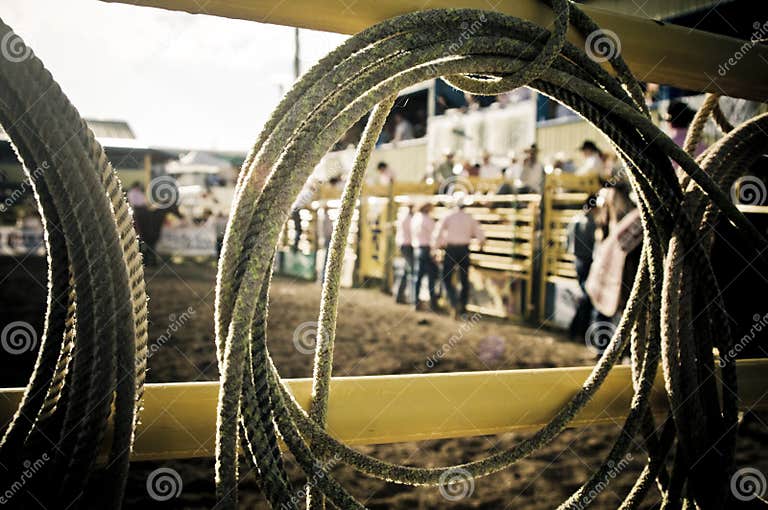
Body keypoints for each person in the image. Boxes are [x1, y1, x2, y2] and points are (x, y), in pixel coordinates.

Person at [433, 195, 486, 318]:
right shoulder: (469, 218)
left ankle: (454, 302)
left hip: (451, 250)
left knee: (446, 278)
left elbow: (438, 232)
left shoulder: (448, 216)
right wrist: (481, 244)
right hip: (464, 250)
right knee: (464, 279)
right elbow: (480, 235)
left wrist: (435, 248)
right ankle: (462, 307)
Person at [567, 195, 598, 340]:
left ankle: (576, 330)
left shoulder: (574, 219)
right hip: (587, 261)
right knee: (587, 296)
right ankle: (577, 330)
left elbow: (567, 241)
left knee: (585, 295)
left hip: (577, 259)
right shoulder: (591, 222)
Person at [411, 202, 439, 312]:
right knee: (432, 276)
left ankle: (415, 302)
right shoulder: (427, 220)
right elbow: (435, 234)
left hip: (417, 249)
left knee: (418, 276)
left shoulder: (415, 218)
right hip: (426, 249)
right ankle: (433, 303)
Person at [395, 205, 414, 304]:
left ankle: (400, 295)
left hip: (405, 245)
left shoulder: (405, 217)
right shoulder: (409, 219)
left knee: (407, 271)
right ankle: (411, 297)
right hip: (408, 246)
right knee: (411, 271)